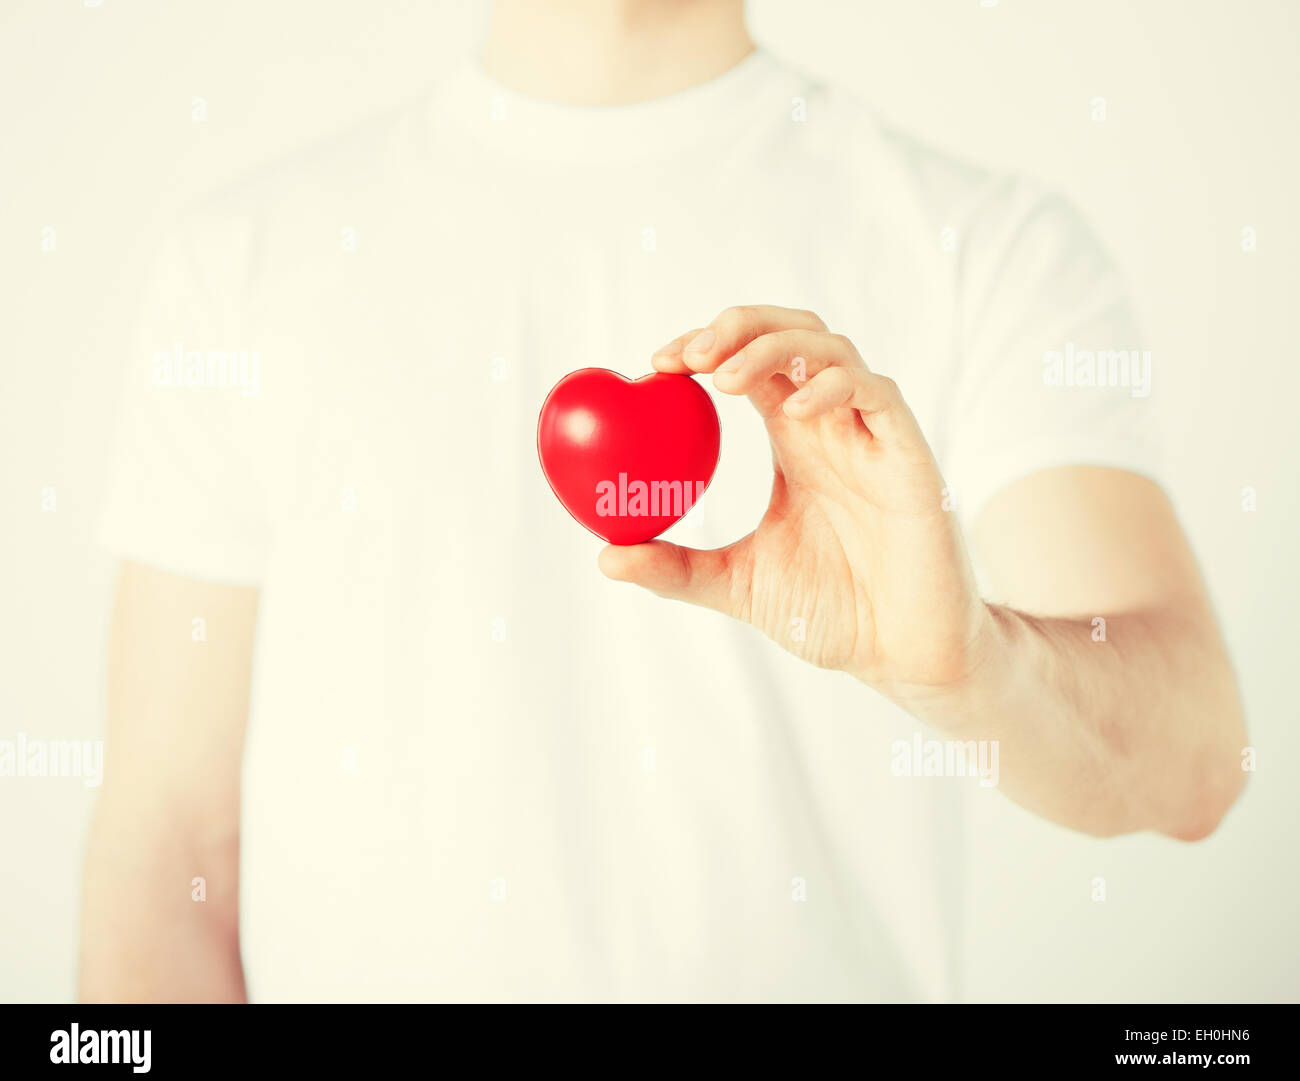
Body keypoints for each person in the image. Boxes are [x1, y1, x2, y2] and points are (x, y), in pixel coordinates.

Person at [80, 0, 1247, 1003]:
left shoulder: (986, 247)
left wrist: (969, 664)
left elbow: (1196, 759)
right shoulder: (238, 263)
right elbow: (166, 852)